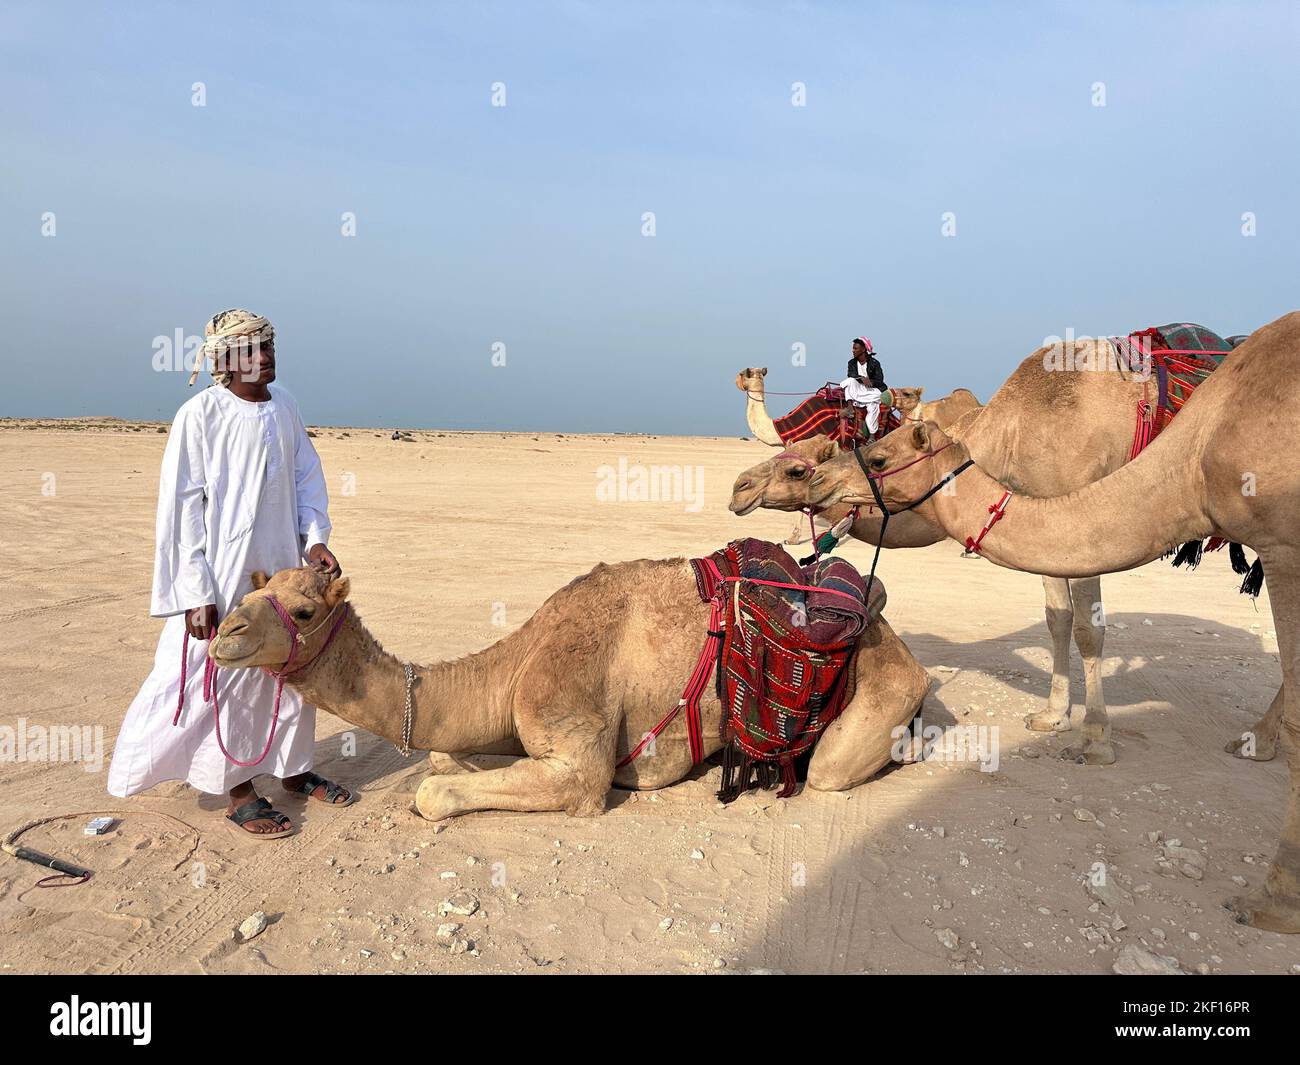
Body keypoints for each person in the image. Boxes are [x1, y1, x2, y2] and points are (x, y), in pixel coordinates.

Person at [107, 309, 353, 839]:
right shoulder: (200, 415)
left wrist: (315, 541)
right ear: (222, 359)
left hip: (280, 570)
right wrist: (195, 591)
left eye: (268, 347)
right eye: (250, 350)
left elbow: (307, 477)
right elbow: (181, 507)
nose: (264, 358)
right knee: (221, 669)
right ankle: (236, 787)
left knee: (288, 665)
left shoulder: (284, 406)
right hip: (220, 572)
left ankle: (293, 767)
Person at [840, 336, 888, 435]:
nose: (853, 351)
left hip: (872, 391)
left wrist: (870, 381)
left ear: (864, 349)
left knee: (873, 408)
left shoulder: (875, 363)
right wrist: (862, 378)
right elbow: (851, 374)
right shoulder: (852, 363)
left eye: (855, 348)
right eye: (853, 348)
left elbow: (880, 381)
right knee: (849, 381)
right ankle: (850, 408)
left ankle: (872, 436)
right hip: (859, 388)